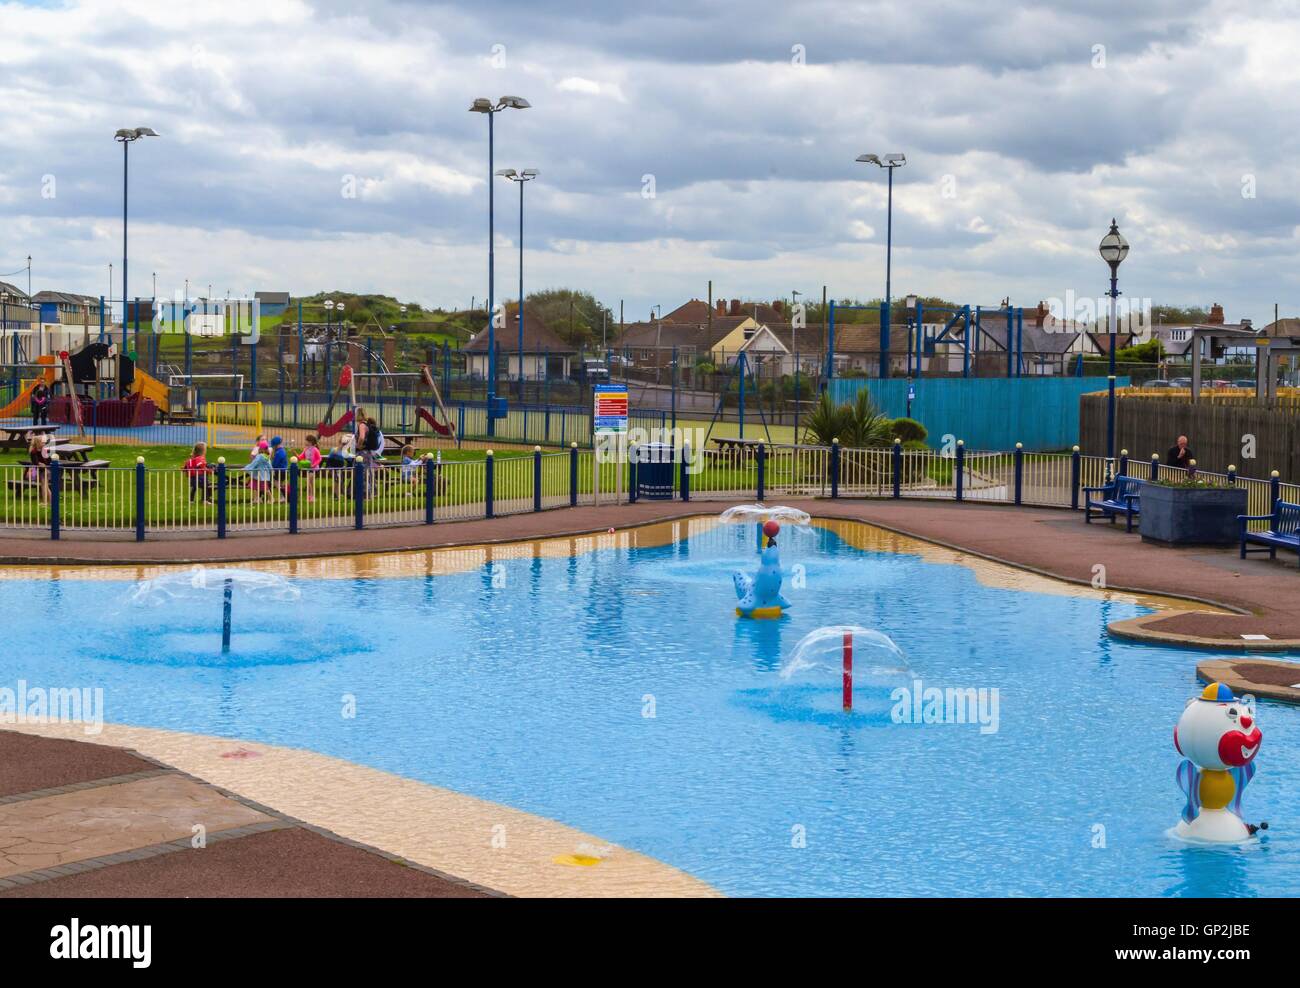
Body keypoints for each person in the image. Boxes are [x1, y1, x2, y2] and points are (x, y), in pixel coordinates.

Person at [27, 434, 52, 504]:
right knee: (45, 486)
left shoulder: (45, 450)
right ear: (38, 443)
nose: (44, 443)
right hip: (40, 470)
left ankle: (45, 502)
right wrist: (39, 464)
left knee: (44, 486)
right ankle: (50, 502)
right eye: (42, 442)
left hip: (46, 470)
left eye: (44, 442)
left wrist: (44, 465)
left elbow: (49, 460)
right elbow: (35, 462)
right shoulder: (33, 451)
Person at [300, 434, 322, 502]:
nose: (305, 441)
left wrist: (314, 465)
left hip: (314, 469)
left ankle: (312, 496)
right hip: (309, 468)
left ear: (310, 442)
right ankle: (311, 496)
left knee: (309, 482)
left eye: (306, 440)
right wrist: (295, 454)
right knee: (310, 483)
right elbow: (301, 457)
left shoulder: (315, 449)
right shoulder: (305, 449)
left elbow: (319, 459)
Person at [269, 436, 289, 501]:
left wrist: (272, 466)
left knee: (276, 483)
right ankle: (283, 497)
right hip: (283, 470)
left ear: (276, 445)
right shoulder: (281, 451)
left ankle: (284, 496)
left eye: (273, 446)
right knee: (280, 484)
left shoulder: (278, 453)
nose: (272, 447)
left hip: (280, 470)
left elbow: (275, 464)